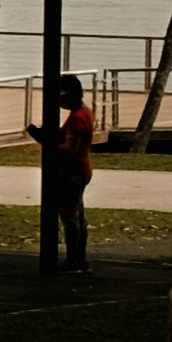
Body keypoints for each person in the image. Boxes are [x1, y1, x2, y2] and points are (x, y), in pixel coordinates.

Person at [43, 72, 98, 267]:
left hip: (71, 173)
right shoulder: (84, 112)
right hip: (80, 171)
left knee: (70, 217)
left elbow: (70, 149)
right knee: (77, 214)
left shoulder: (77, 118)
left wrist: (48, 144)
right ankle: (79, 258)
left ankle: (73, 259)